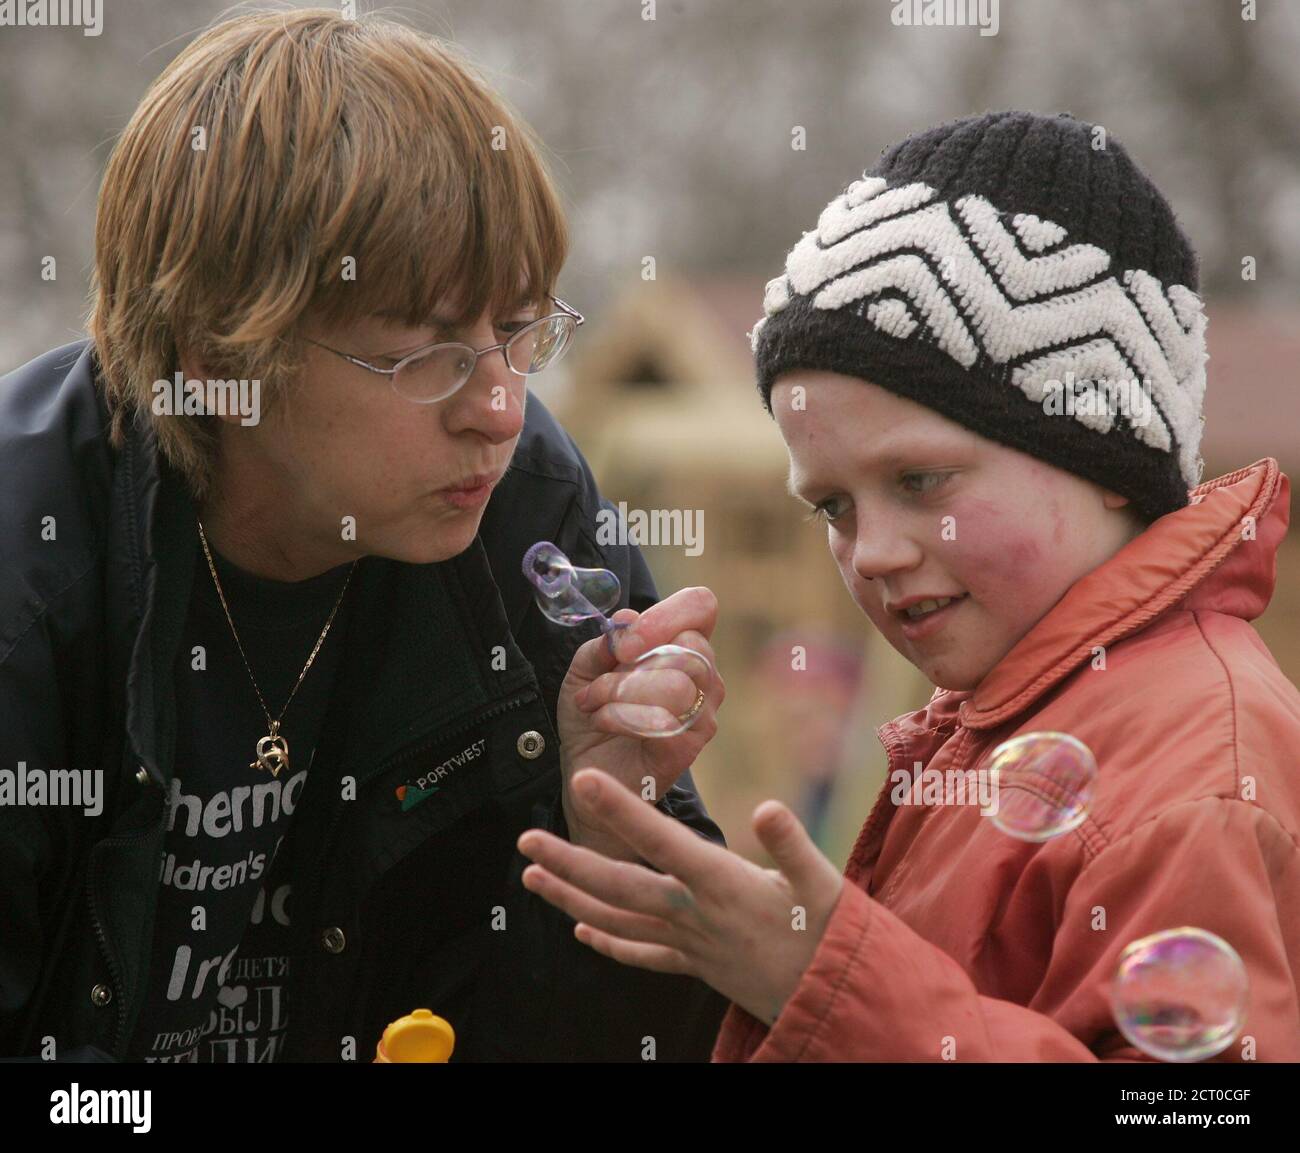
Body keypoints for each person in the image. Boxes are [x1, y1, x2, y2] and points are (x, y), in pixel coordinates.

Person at [0, 9, 729, 1063]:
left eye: (520, 331)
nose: (502, 406)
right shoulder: (28, 584)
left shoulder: (520, 508)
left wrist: (607, 846)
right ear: (220, 360)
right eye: (429, 353)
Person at [517, 110, 1300, 1061]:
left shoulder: (1198, 778)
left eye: (920, 482)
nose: (872, 552)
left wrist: (828, 987)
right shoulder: (1002, 717)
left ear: (1104, 456)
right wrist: (630, 833)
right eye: (834, 508)